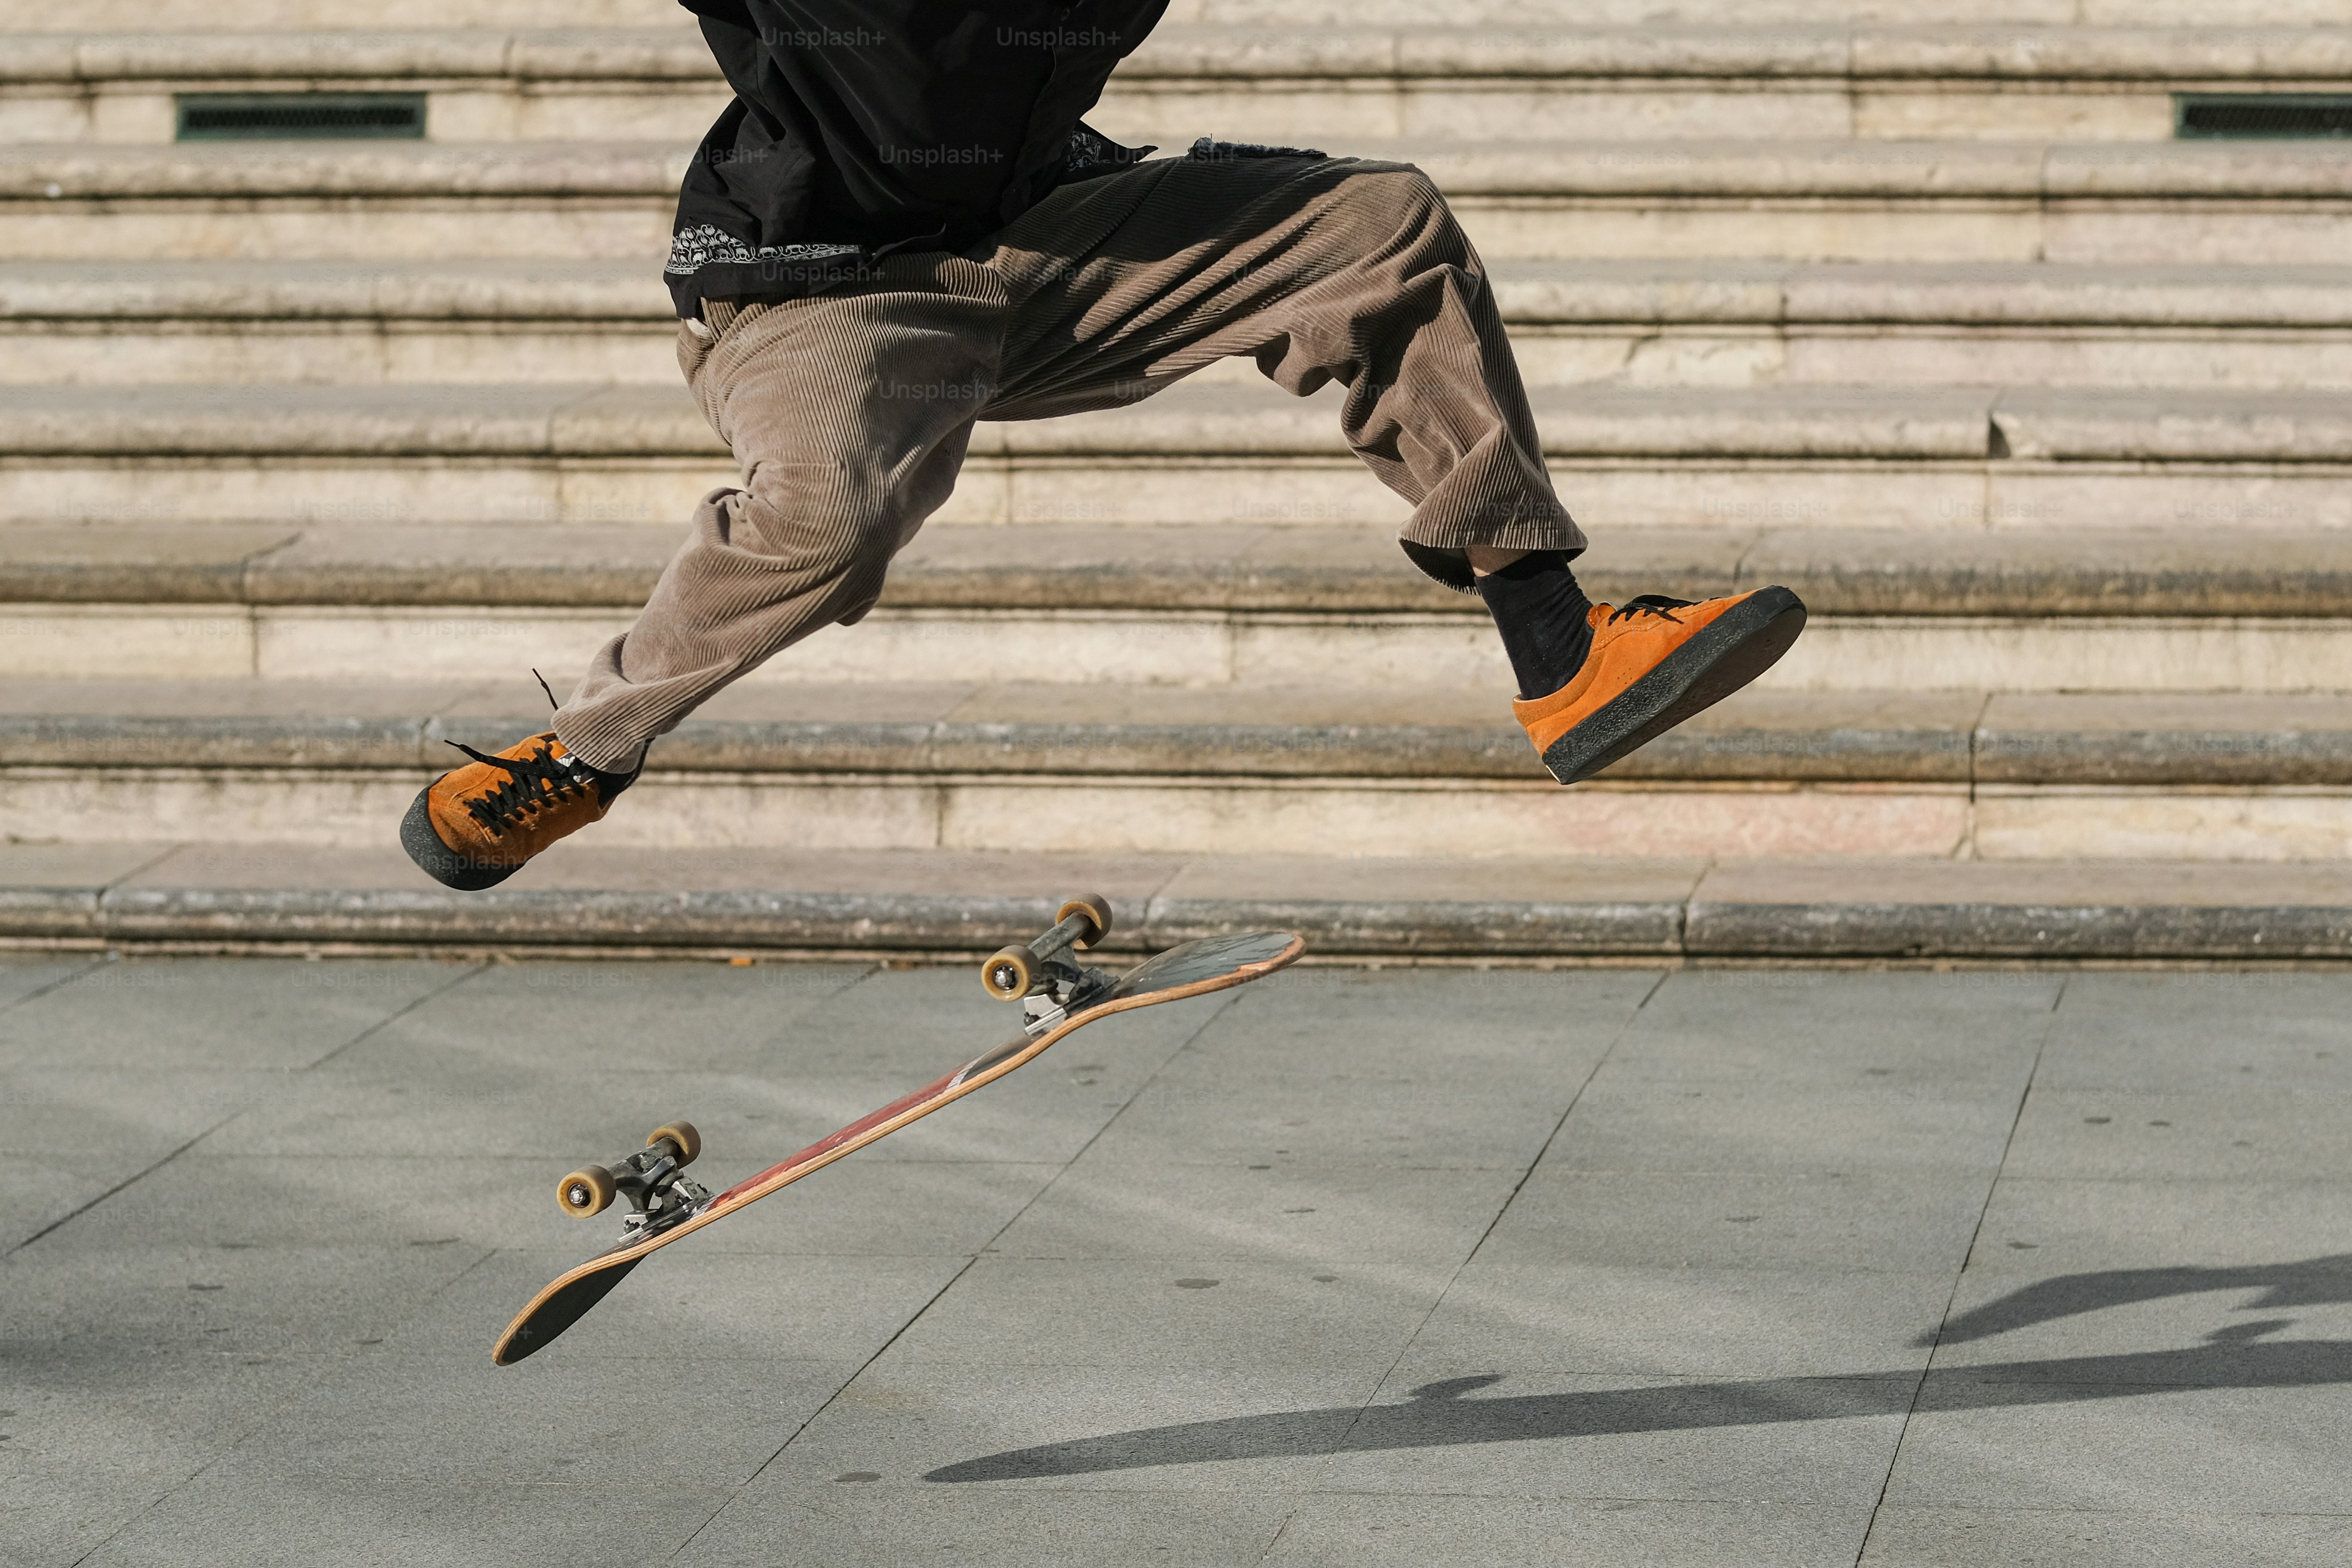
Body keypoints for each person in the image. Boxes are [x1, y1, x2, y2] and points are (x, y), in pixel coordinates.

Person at [401, 0, 1806, 891]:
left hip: (1050, 249)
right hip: (817, 288)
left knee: (1376, 226)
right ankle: (575, 757)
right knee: (827, 518)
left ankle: (1557, 650)